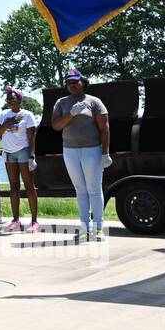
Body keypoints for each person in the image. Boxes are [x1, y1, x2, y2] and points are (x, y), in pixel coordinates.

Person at [50, 69, 110, 241]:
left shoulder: (94, 102)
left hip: (92, 149)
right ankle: (85, 227)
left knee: (94, 189)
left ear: (82, 82)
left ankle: (98, 228)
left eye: (75, 81)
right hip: (70, 150)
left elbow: (104, 129)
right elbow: (56, 125)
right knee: (80, 190)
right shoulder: (61, 103)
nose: (72, 85)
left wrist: (105, 153)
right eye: (69, 83)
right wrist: (71, 114)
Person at [0, 87, 39, 233]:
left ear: (19, 99)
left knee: (29, 186)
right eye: (8, 99)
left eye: (13, 98)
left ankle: (34, 221)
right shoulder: (3, 115)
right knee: (13, 187)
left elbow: (31, 137)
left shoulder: (28, 115)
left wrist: (32, 156)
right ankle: (16, 220)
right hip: (9, 153)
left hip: (23, 152)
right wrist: (8, 122)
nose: (10, 101)